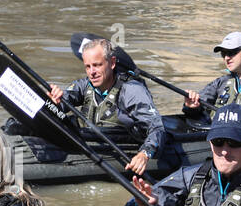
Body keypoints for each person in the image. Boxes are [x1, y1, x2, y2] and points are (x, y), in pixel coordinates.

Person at [47, 37, 166, 176]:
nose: (92, 72)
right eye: (88, 66)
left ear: (112, 63)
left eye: (97, 65)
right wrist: (51, 99)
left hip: (120, 145)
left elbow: (157, 128)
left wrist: (145, 154)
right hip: (88, 142)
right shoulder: (84, 85)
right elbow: (59, 105)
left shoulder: (132, 91)